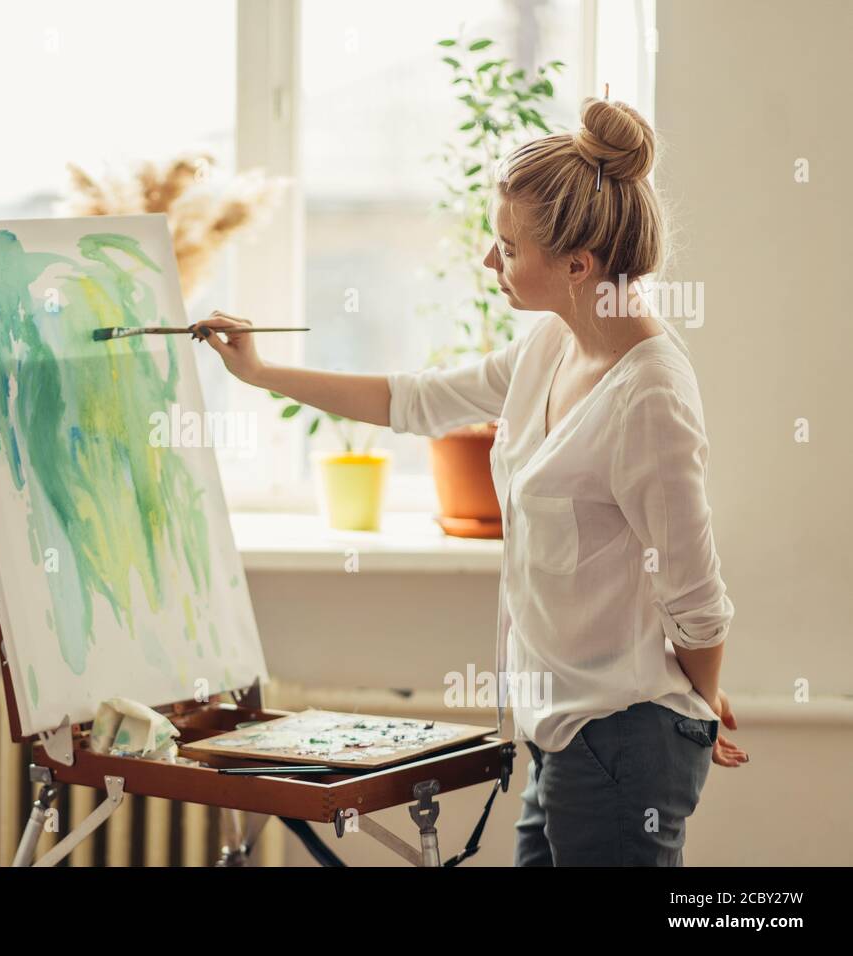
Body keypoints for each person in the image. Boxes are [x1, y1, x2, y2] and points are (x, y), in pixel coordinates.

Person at [190, 96, 748, 866]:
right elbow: (413, 401)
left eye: (509, 248)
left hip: (624, 739)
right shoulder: (552, 344)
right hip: (560, 730)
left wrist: (694, 706)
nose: (492, 262)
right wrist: (260, 373)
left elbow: (698, 604)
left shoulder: (649, 396)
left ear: (579, 265)